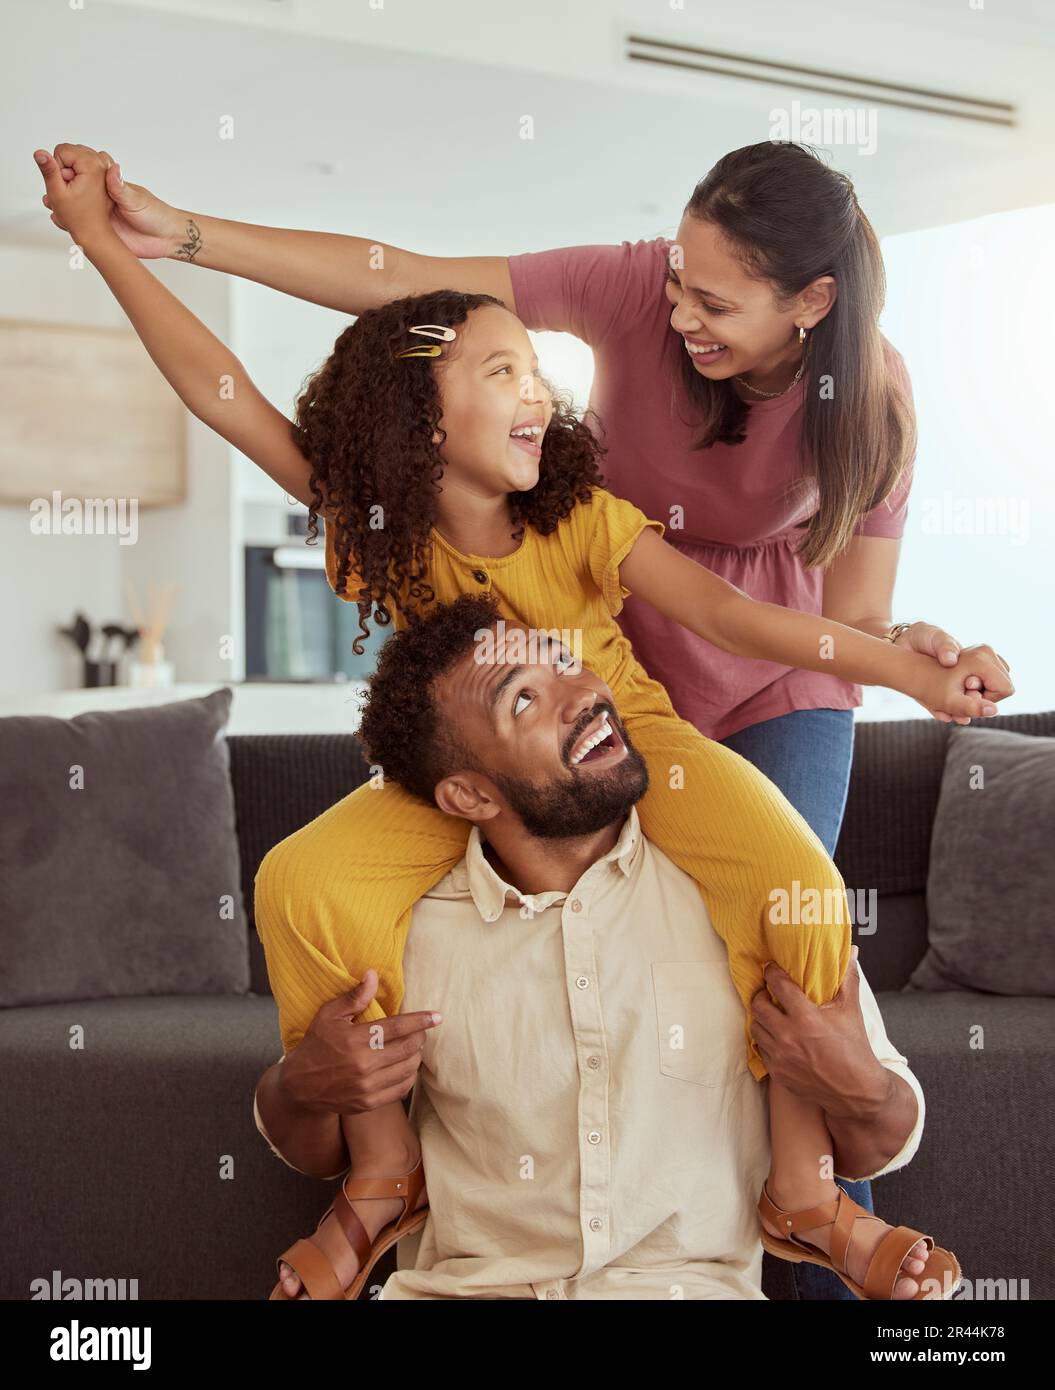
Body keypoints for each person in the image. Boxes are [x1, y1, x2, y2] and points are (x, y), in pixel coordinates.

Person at [33, 144, 1008, 1302]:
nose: (539, 387)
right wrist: (111, 242)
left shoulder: (584, 519)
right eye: (501, 371)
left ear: (810, 304)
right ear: (417, 421)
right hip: (460, 768)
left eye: (527, 366)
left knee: (793, 884)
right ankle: (383, 1180)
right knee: (301, 884)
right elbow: (225, 390)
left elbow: (738, 619)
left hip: (644, 750)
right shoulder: (376, 526)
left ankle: (802, 1191)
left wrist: (902, 668)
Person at [254, 594, 959, 1301]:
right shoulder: (398, 928)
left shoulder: (744, 897)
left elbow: (878, 1141)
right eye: (523, 700)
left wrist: (859, 1085)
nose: (582, 695)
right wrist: (299, 1087)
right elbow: (314, 1148)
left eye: (563, 663)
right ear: (468, 796)